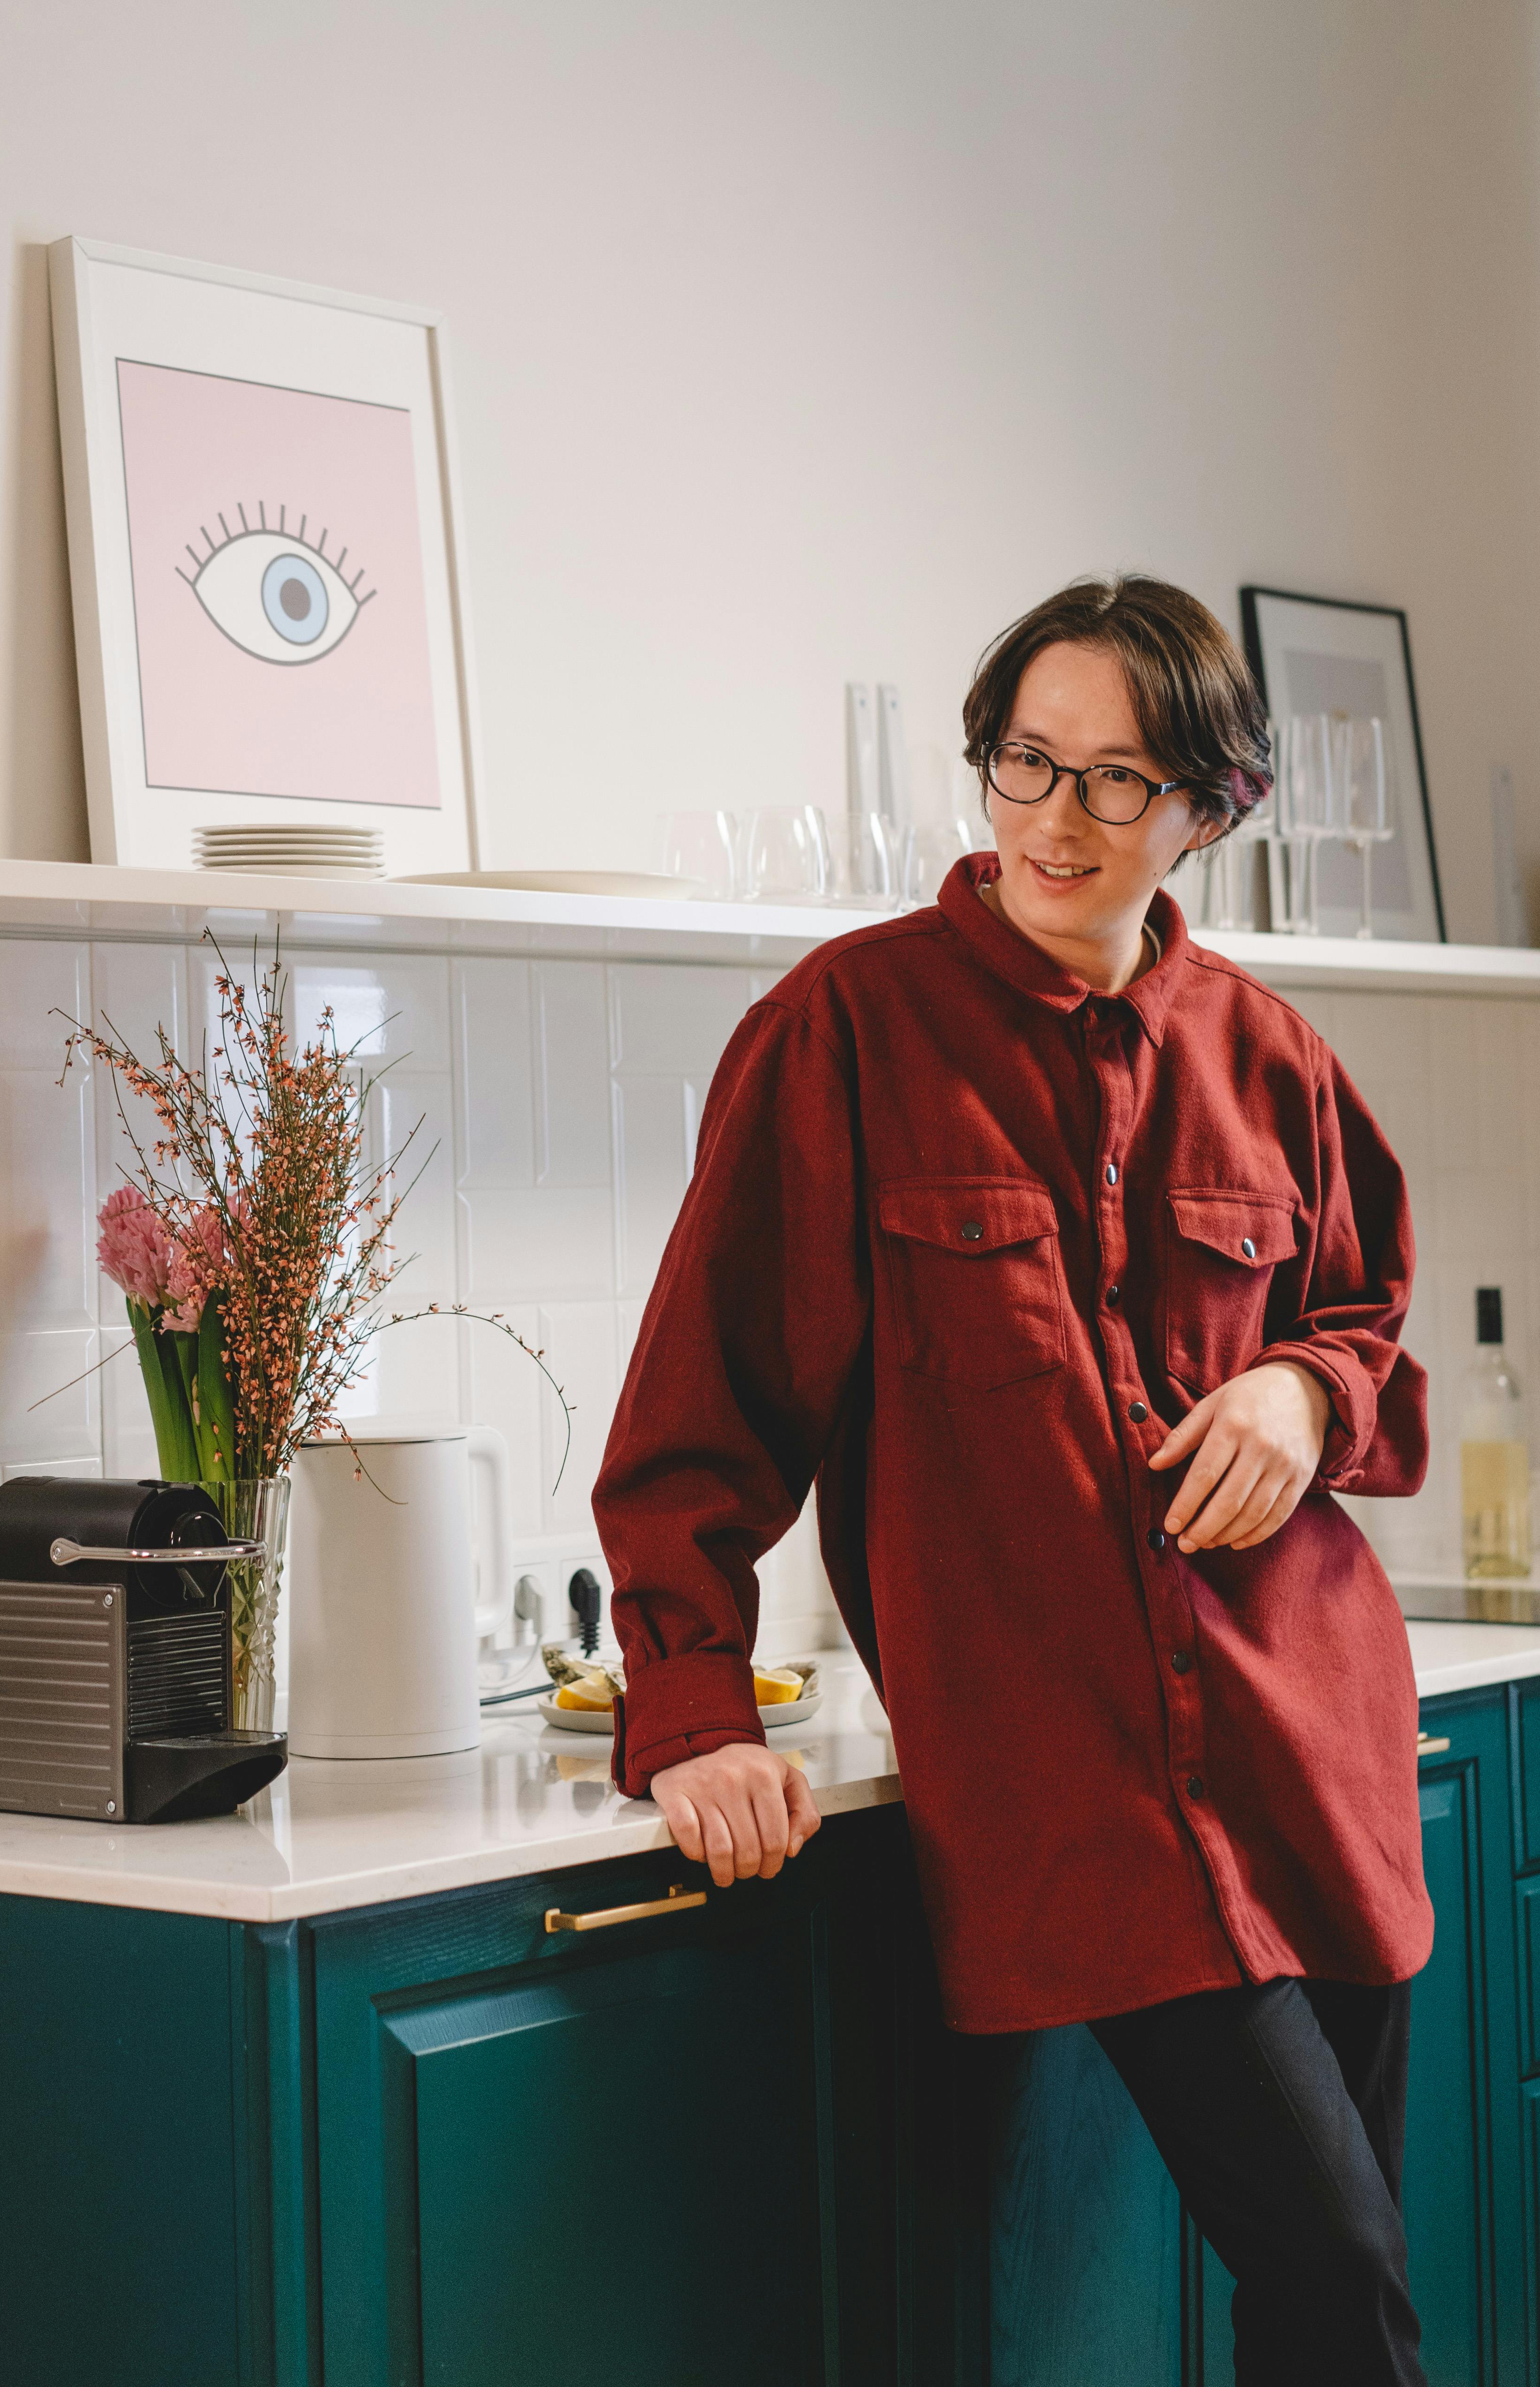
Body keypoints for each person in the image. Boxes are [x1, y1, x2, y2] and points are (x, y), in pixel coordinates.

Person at [591, 576, 1431, 2385]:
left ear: (1213, 802)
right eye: (1026, 765)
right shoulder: (845, 1032)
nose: (1057, 820)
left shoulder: (1272, 1056)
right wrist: (694, 1704)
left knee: (1326, 2290)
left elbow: (1371, 1331)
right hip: (1077, 1793)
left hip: (1316, 1751)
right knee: (1344, 2276)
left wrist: (1300, 1386)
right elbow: (700, 1411)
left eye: (1118, 780)